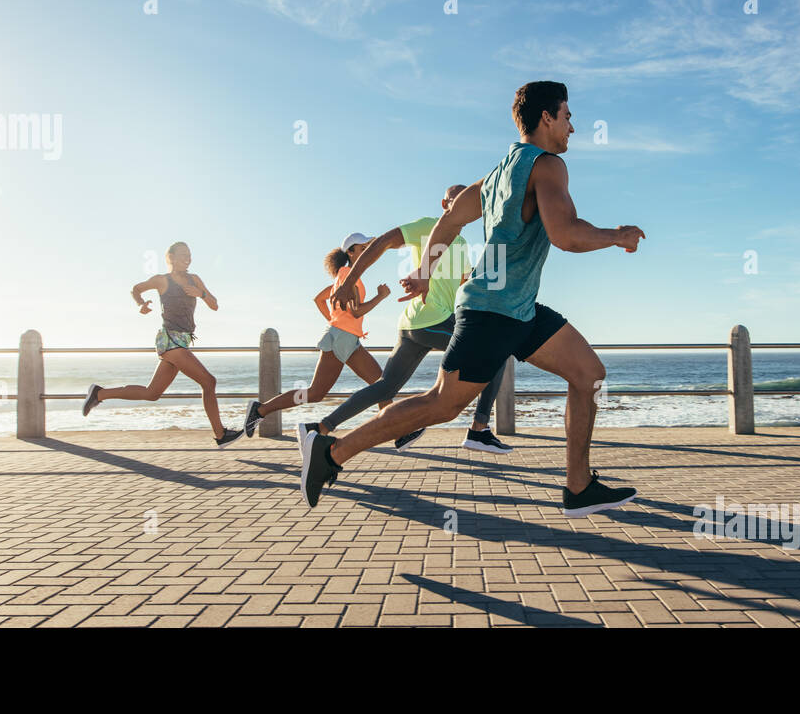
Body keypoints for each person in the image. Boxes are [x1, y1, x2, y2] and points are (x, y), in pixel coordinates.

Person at [298, 81, 646, 517]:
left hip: (518, 309)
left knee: (588, 373)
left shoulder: (500, 172)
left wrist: (425, 274)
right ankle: (330, 453)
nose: (573, 127)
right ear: (546, 118)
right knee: (441, 405)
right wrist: (618, 236)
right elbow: (565, 235)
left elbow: (449, 220)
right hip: (492, 311)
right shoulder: (548, 166)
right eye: (568, 116)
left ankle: (579, 487)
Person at [304, 185, 512, 455]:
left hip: (414, 325)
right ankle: (479, 429)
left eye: (469, 203)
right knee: (494, 353)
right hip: (430, 319)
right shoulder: (427, 227)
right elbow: (382, 242)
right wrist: (350, 280)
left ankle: (317, 429)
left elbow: (463, 283)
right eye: (455, 201)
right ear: (444, 204)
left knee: (385, 387)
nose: (462, 206)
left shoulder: (461, 245)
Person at [81, 241, 241, 446]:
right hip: (169, 340)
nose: (188, 258)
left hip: (182, 341)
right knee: (209, 382)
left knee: (152, 393)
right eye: (183, 254)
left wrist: (200, 294)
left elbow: (214, 305)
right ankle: (220, 434)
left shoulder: (195, 280)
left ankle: (99, 393)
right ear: (171, 258)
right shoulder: (161, 280)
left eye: (190, 254)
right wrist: (141, 304)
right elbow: (136, 289)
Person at [236, 234, 392, 439]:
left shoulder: (344, 276)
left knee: (380, 384)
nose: (367, 252)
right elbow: (356, 311)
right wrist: (380, 297)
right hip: (341, 338)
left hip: (347, 339)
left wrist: (335, 321)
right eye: (363, 248)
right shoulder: (347, 274)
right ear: (351, 253)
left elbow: (319, 300)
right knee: (317, 392)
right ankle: (261, 410)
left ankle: (393, 430)